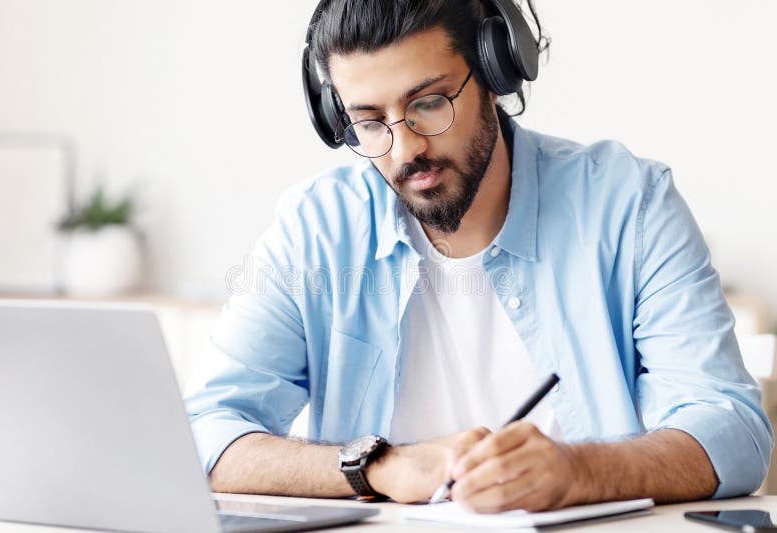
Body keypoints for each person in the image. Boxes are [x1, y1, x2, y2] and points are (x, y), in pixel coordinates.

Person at [184, 0, 773, 513]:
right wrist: (380, 467)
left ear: (496, 71)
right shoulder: (315, 229)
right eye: (369, 121)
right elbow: (202, 433)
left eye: (431, 102)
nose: (406, 146)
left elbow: (734, 432)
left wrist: (581, 474)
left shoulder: (629, 204)